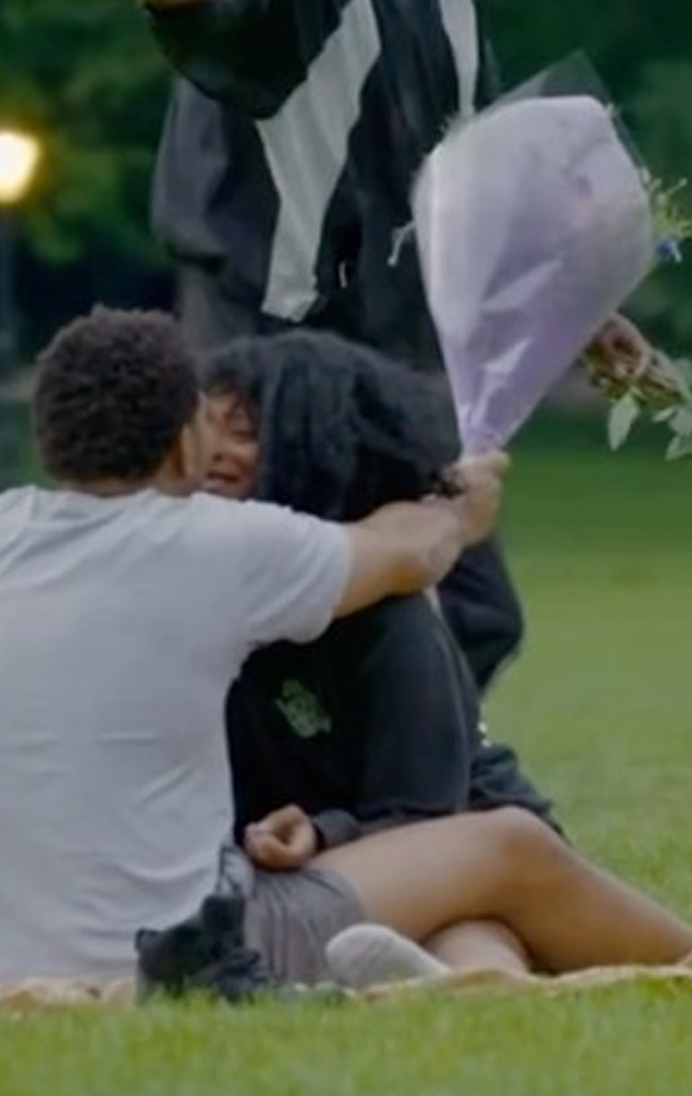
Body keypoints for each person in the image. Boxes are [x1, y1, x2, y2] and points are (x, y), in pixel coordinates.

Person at [111, 0, 649, 693]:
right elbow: (232, 13)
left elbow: (477, 168)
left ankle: (399, 801)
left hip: (393, 346)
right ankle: (259, 810)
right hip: (263, 339)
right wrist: (176, 1)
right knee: (255, 609)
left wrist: (569, 300)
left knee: (475, 608)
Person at [0, 305, 505, 991]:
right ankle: (652, 970)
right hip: (174, 950)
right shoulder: (215, 548)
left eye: (246, 430)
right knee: (505, 859)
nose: (221, 448)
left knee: (475, 903)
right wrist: (462, 508)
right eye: (208, 422)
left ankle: (483, 981)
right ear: (178, 447)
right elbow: (410, 550)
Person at [200, 330, 561, 848]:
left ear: (319, 450)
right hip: (331, 865)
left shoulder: (388, 620)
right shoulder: (192, 583)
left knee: (471, 931)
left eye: (244, 433)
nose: (211, 453)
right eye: (203, 430)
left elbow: (422, 823)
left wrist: (325, 834)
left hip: (450, 852)